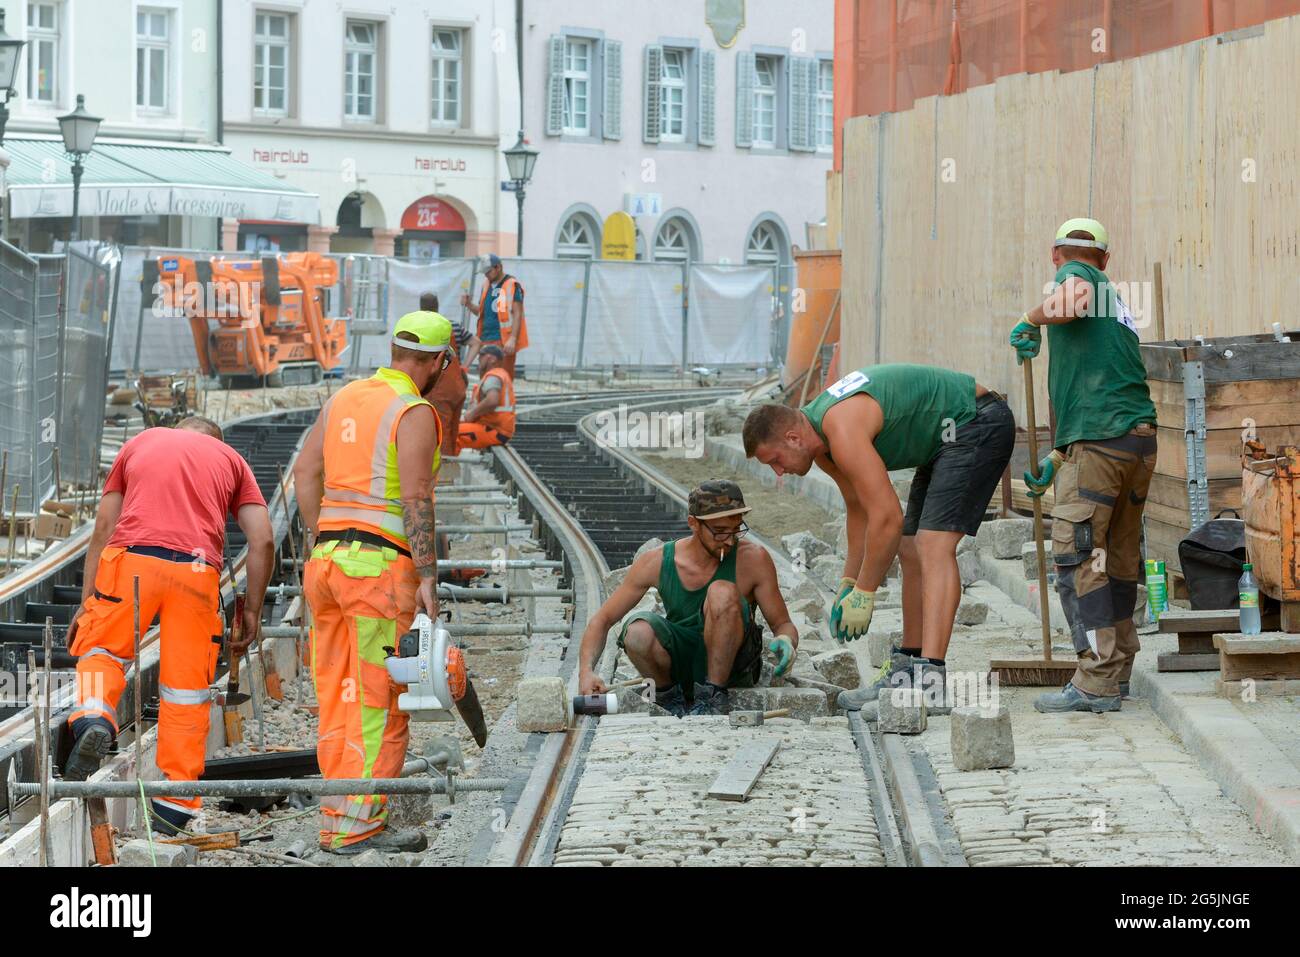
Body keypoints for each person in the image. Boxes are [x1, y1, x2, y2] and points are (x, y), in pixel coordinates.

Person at [743, 364, 1015, 712]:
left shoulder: (840, 429)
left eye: (775, 461)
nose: (779, 472)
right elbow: (860, 512)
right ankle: (908, 669)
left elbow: (887, 517)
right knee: (908, 545)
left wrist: (866, 593)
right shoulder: (822, 446)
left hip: (975, 422)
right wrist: (849, 580)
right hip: (944, 438)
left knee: (933, 545)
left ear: (793, 438)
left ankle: (932, 682)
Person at [63, 416, 274, 836]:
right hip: (196, 572)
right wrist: (250, 610)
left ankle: (93, 720)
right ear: (215, 440)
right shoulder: (230, 459)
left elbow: (103, 529)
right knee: (186, 691)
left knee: (102, 650)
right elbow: (263, 540)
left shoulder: (141, 442)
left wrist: (88, 604)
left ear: (179, 428)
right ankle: (172, 809)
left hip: (131, 559)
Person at [293, 311, 451, 854]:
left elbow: (304, 474)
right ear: (436, 362)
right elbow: (415, 498)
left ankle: (340, 817)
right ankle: (357, 828)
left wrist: (326, 538)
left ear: (394, 348)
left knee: (339, 696)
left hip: (328, 566)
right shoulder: (414, 409)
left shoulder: (343, 399)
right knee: (379, 700)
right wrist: (427, 574)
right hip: (379, 575)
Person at [1009, 217, 1157, 714]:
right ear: (1108, 257)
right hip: (1133, 444)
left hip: (1100, 446)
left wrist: (1031, 318)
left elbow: (1069, 302)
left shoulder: (1081, 279)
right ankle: (1118, 672)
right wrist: (1057, 454)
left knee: (1078, 561)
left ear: (1057, 256)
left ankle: (1094, 681)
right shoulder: (1115, 302)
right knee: (1114, 559)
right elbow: (1102, 381)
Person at [577, 480, 798, 716]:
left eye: (736, 530)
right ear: (693, 523)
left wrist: (786, 640)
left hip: (733, 665)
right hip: (680, 663)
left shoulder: (754, 559)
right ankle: (668, 697)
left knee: (721, 591)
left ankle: (713, 698)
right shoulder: (658, 561)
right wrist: (586, 672)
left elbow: (782, 624)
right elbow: (603, 619)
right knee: (637, 630)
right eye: (720, 531)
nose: (730, 540)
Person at [461, 254, 527, 378]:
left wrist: (512, 339)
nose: (486, 275)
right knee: (485, 377)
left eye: (488, 271)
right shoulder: (486, 285)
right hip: (485, 339)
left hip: (504, 341)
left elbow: (518, 313)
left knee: (501, 378)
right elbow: (481, 313)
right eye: (484, 272)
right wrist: (469, 304)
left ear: (499, 267)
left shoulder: (511, 284)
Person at [456, 345, 516, 450]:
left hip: (494, 430)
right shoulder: (498, 375)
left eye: (481, 357)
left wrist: (471, 414)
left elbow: (492, 401)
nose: (478, 359)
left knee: (451, 434)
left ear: (492, 359)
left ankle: (448, 465)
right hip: (493, 427)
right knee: (449, 429)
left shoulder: (494, 376)